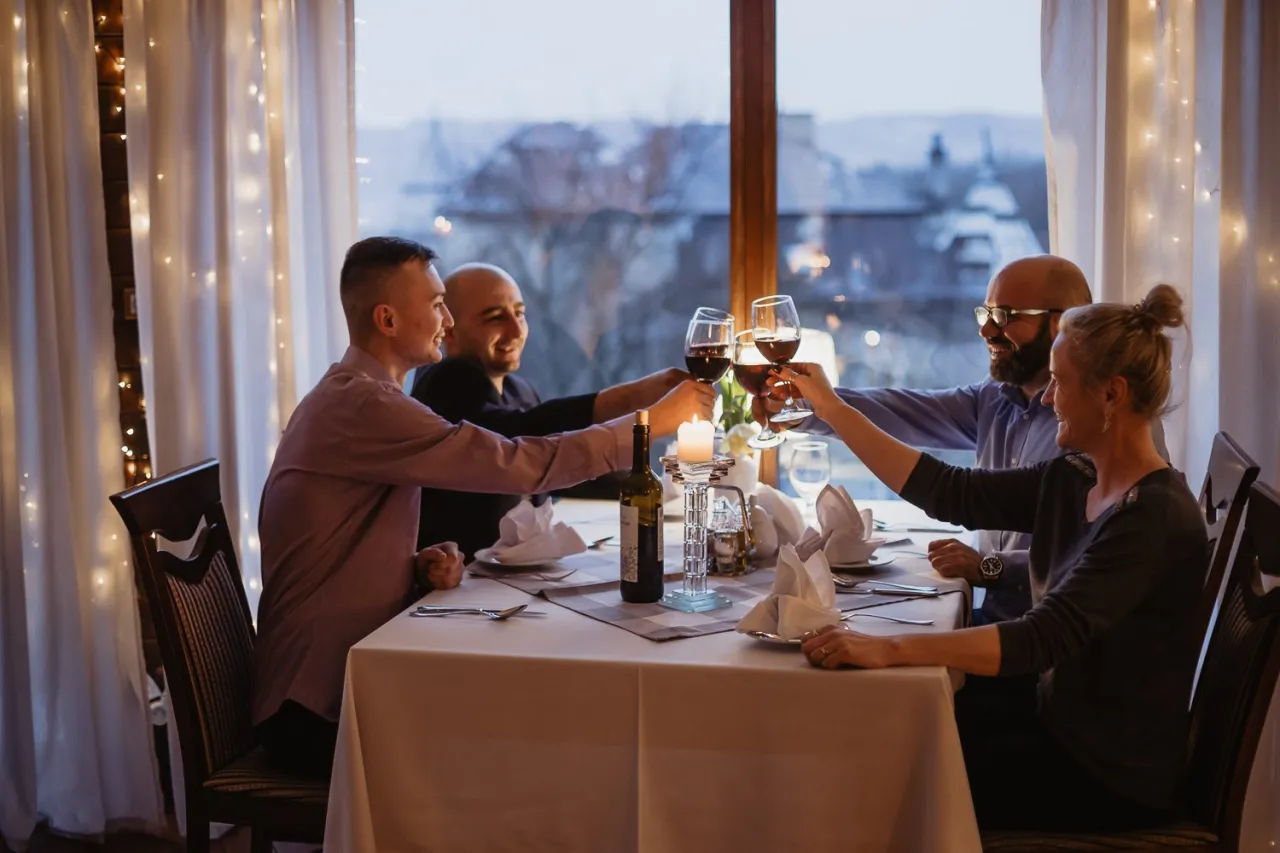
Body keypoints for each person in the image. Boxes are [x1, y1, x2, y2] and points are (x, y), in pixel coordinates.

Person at [252, 237, 713, 777]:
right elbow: (518, 463)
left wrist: (412, 563)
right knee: (536, 740)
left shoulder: (358, 396)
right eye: (436, 304)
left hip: (340, 680)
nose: (446, 319)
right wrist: (650, 423)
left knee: (537, 717)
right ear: (388, 319)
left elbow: (331, 539)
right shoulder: (365, 405)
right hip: (316, 709)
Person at [786, 284, 1205, 832]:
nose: (1048, 397)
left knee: (880, 769)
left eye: (1060, 381)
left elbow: (1037, 638)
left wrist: (887, 648)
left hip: (1103, 773)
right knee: (873, 723)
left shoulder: (1152, 516)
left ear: (1112, 395)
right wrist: (832, 410)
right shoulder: (1076, 477)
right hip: (1058, 718)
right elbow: (951, 491)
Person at [759, 254, 1164, 624]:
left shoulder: (1098, 438)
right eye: (985, 312)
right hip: (1005, 624)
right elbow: (907, 416)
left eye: (1004, 315)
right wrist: (805, 409)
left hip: (1030, 641)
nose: (986, 329)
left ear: (1061, 323)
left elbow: (961, 497)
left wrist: (991, 566)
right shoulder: (1000, 398)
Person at [411, 262, 689, 559]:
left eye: (519, 313)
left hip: (515, 566)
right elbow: (518, 441)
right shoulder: (443, 380)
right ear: (449, 333)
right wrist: (632, 398)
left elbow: (562, 464)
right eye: (495, 318)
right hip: (460, 575)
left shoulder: (519, 388)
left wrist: (654, 488)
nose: (516, 329)